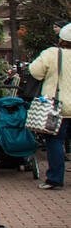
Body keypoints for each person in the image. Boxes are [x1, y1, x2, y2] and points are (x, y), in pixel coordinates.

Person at [27, 22, 71, 191]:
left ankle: (55, 178)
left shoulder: (52, 53)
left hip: (56, 106)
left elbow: (35, 71)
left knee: (55, 142)